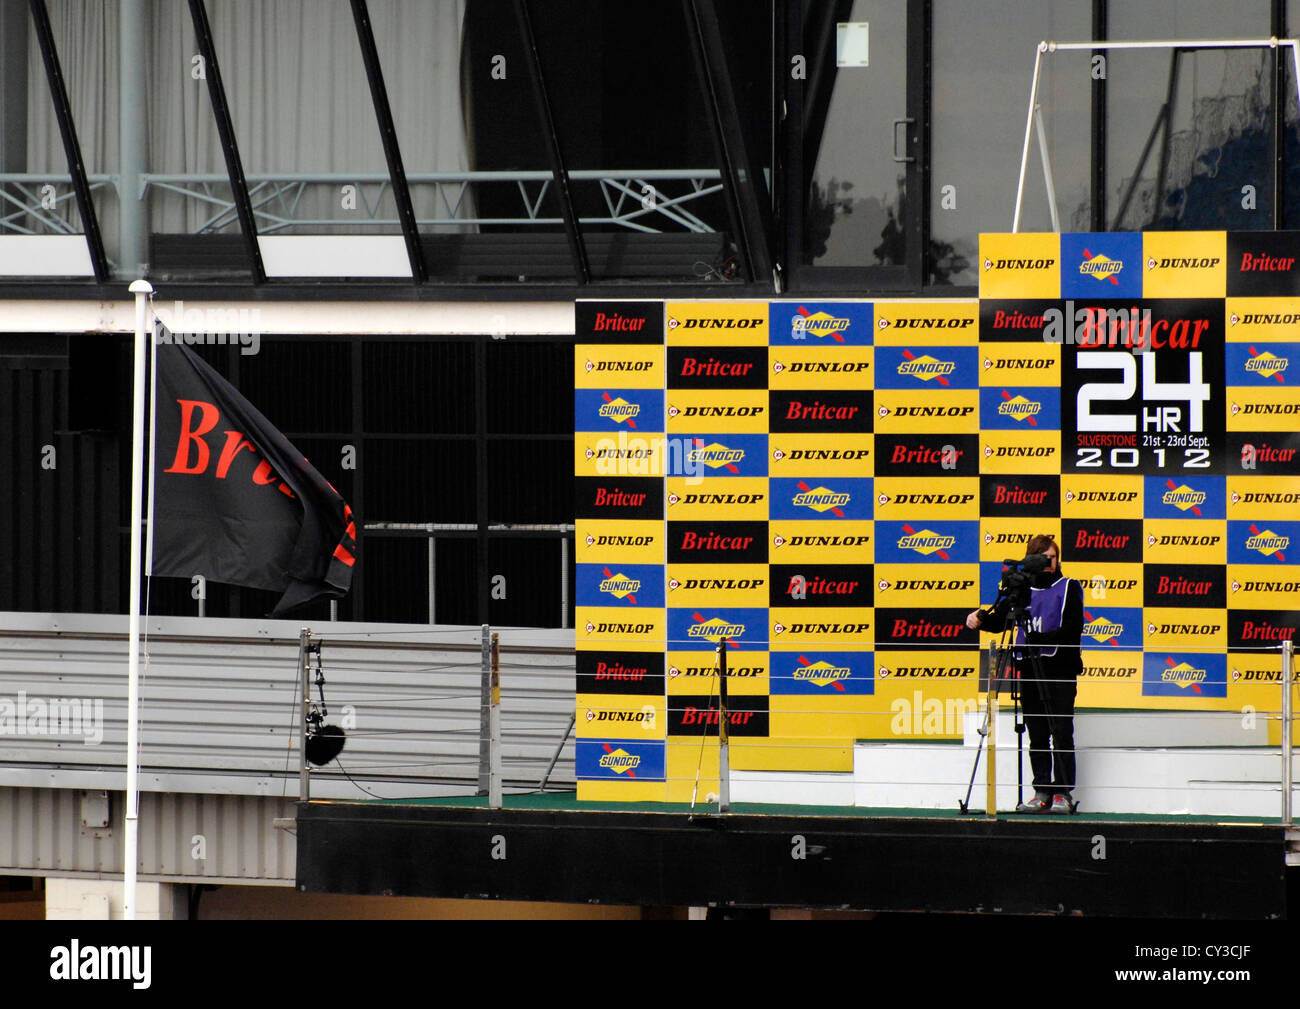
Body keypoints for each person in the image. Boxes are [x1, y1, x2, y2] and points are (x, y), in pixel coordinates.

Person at [965, 535, 1083, 813]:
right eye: (1042, 557)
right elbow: (999, 620)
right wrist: (978, 619)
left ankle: (1062, 793)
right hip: (1029, 669)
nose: (1048, 563)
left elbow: (1072, 629)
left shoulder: (1068, 587)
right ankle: (1041, 791)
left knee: (1061, 731)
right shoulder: (1022, 589)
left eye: (1052, 557)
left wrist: (1036, 638)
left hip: (1060, 671)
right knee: (1037, 733)